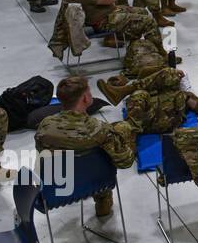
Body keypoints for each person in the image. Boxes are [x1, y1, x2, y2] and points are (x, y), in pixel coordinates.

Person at [34, 75, 137, 219]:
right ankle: (103, 200)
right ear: (84, 98)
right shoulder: (98, 129)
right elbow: (125, 162)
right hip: (94, 181)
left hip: (56, 188)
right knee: (104, 153)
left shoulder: (45, 125)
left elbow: (41, 154)